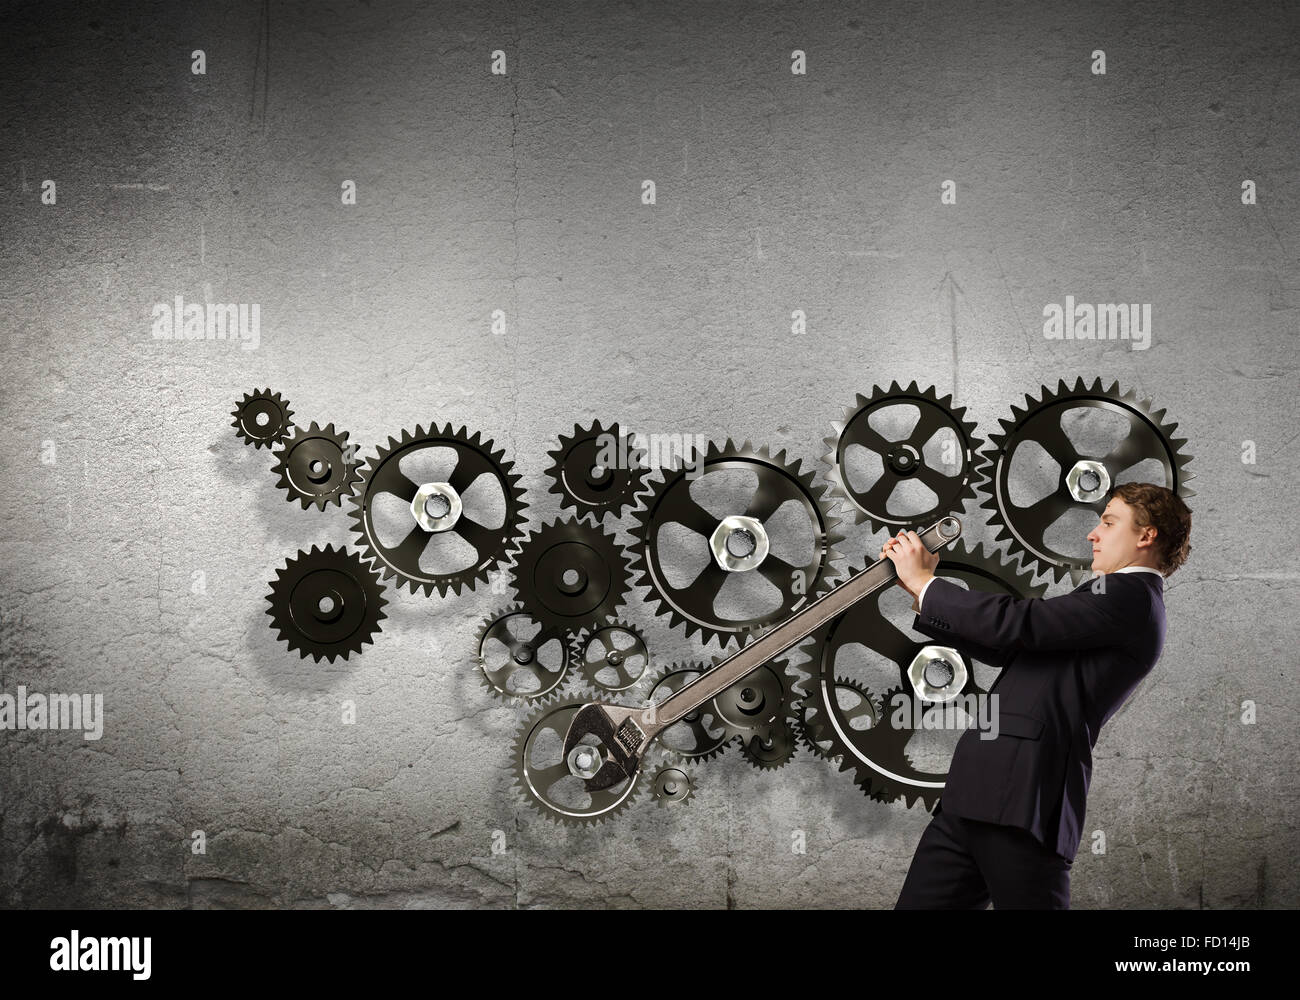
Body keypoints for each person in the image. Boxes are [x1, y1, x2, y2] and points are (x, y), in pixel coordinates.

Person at [882, 481, 1192, 909]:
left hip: (1023, 797)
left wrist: (928, 583)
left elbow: (1022, 623)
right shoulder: (1112, 598)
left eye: (1108, 521)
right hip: (979, 793)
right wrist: (921, 591)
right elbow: (1014, 646)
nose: (1092, 534)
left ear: (1145, 535)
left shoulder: (1132, 597)